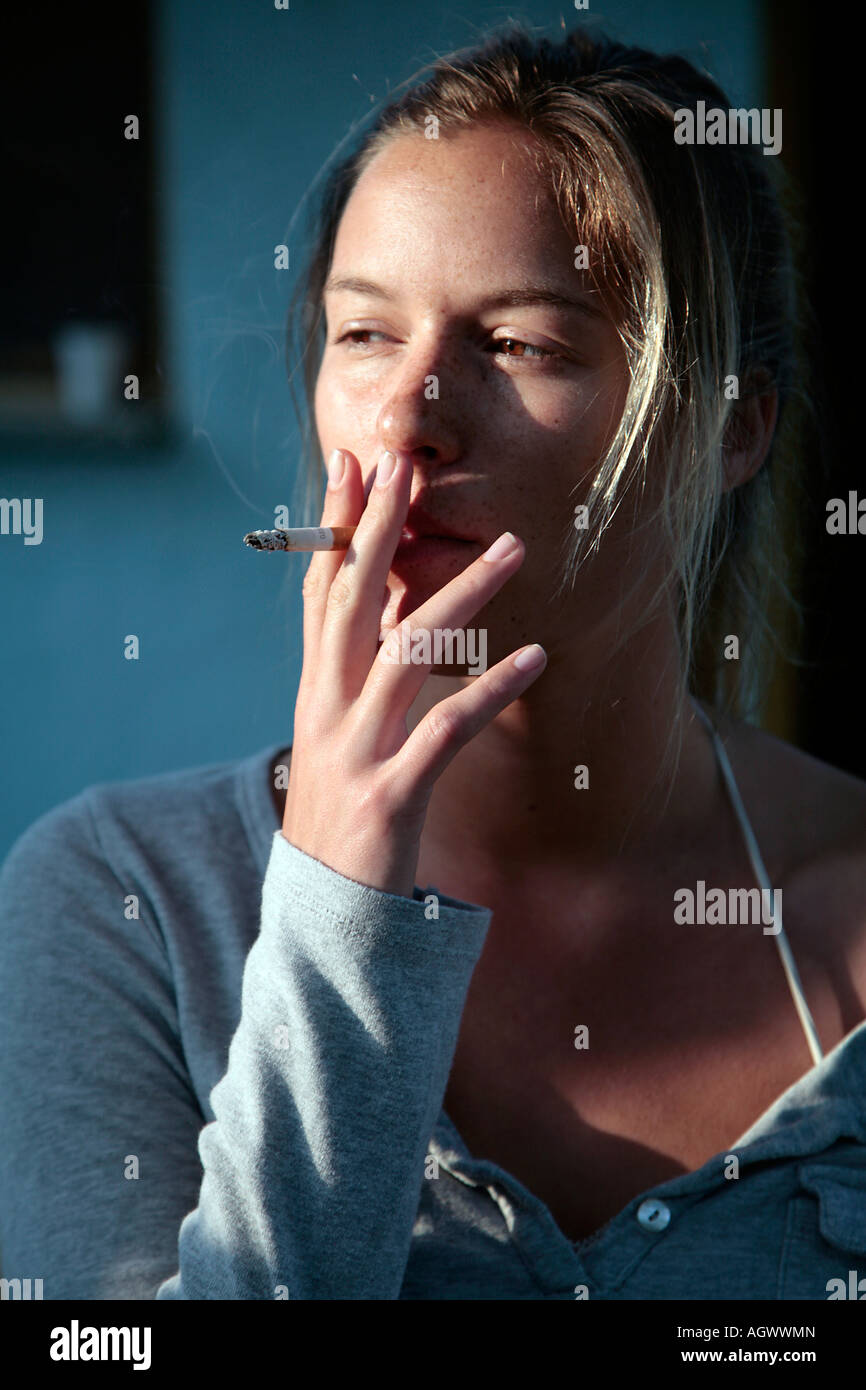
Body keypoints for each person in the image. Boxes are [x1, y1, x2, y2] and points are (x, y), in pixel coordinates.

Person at [2, 23, 865, 1302]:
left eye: (519, 344)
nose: (407, 417)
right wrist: (338, 906)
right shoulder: (118, 900)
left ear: (730, 428)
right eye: (363, 336)